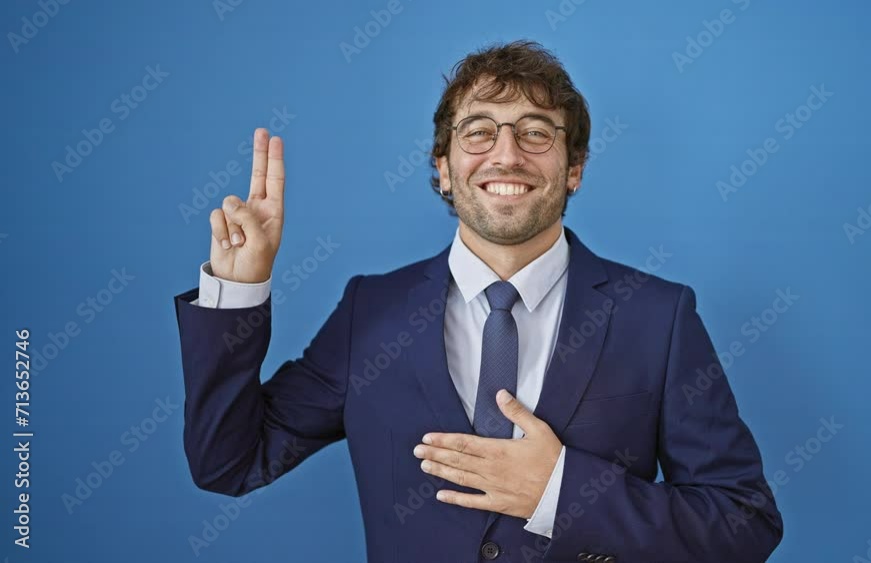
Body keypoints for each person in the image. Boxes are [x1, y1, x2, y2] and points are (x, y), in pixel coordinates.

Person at [173, 39, 783, 563]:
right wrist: (238, 291)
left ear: (574, 169)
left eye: (537, 133)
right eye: (479, 131)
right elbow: (231, 463)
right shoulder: (371, 312)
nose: (507, 153)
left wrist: (560, 492)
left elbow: (743, 522)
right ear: (443, 167)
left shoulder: (658, 316)